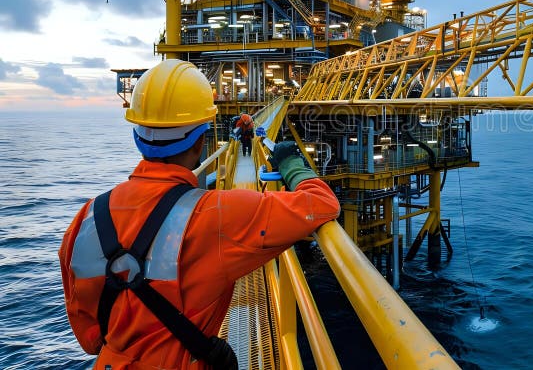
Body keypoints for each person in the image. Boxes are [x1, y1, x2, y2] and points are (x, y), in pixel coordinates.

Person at [59, 59, 340, 369]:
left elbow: (89, 339)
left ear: (136, 137)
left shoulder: (85, 218)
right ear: (201, 140)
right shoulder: (219, 213)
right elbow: (322, 203)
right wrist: (290, 164)